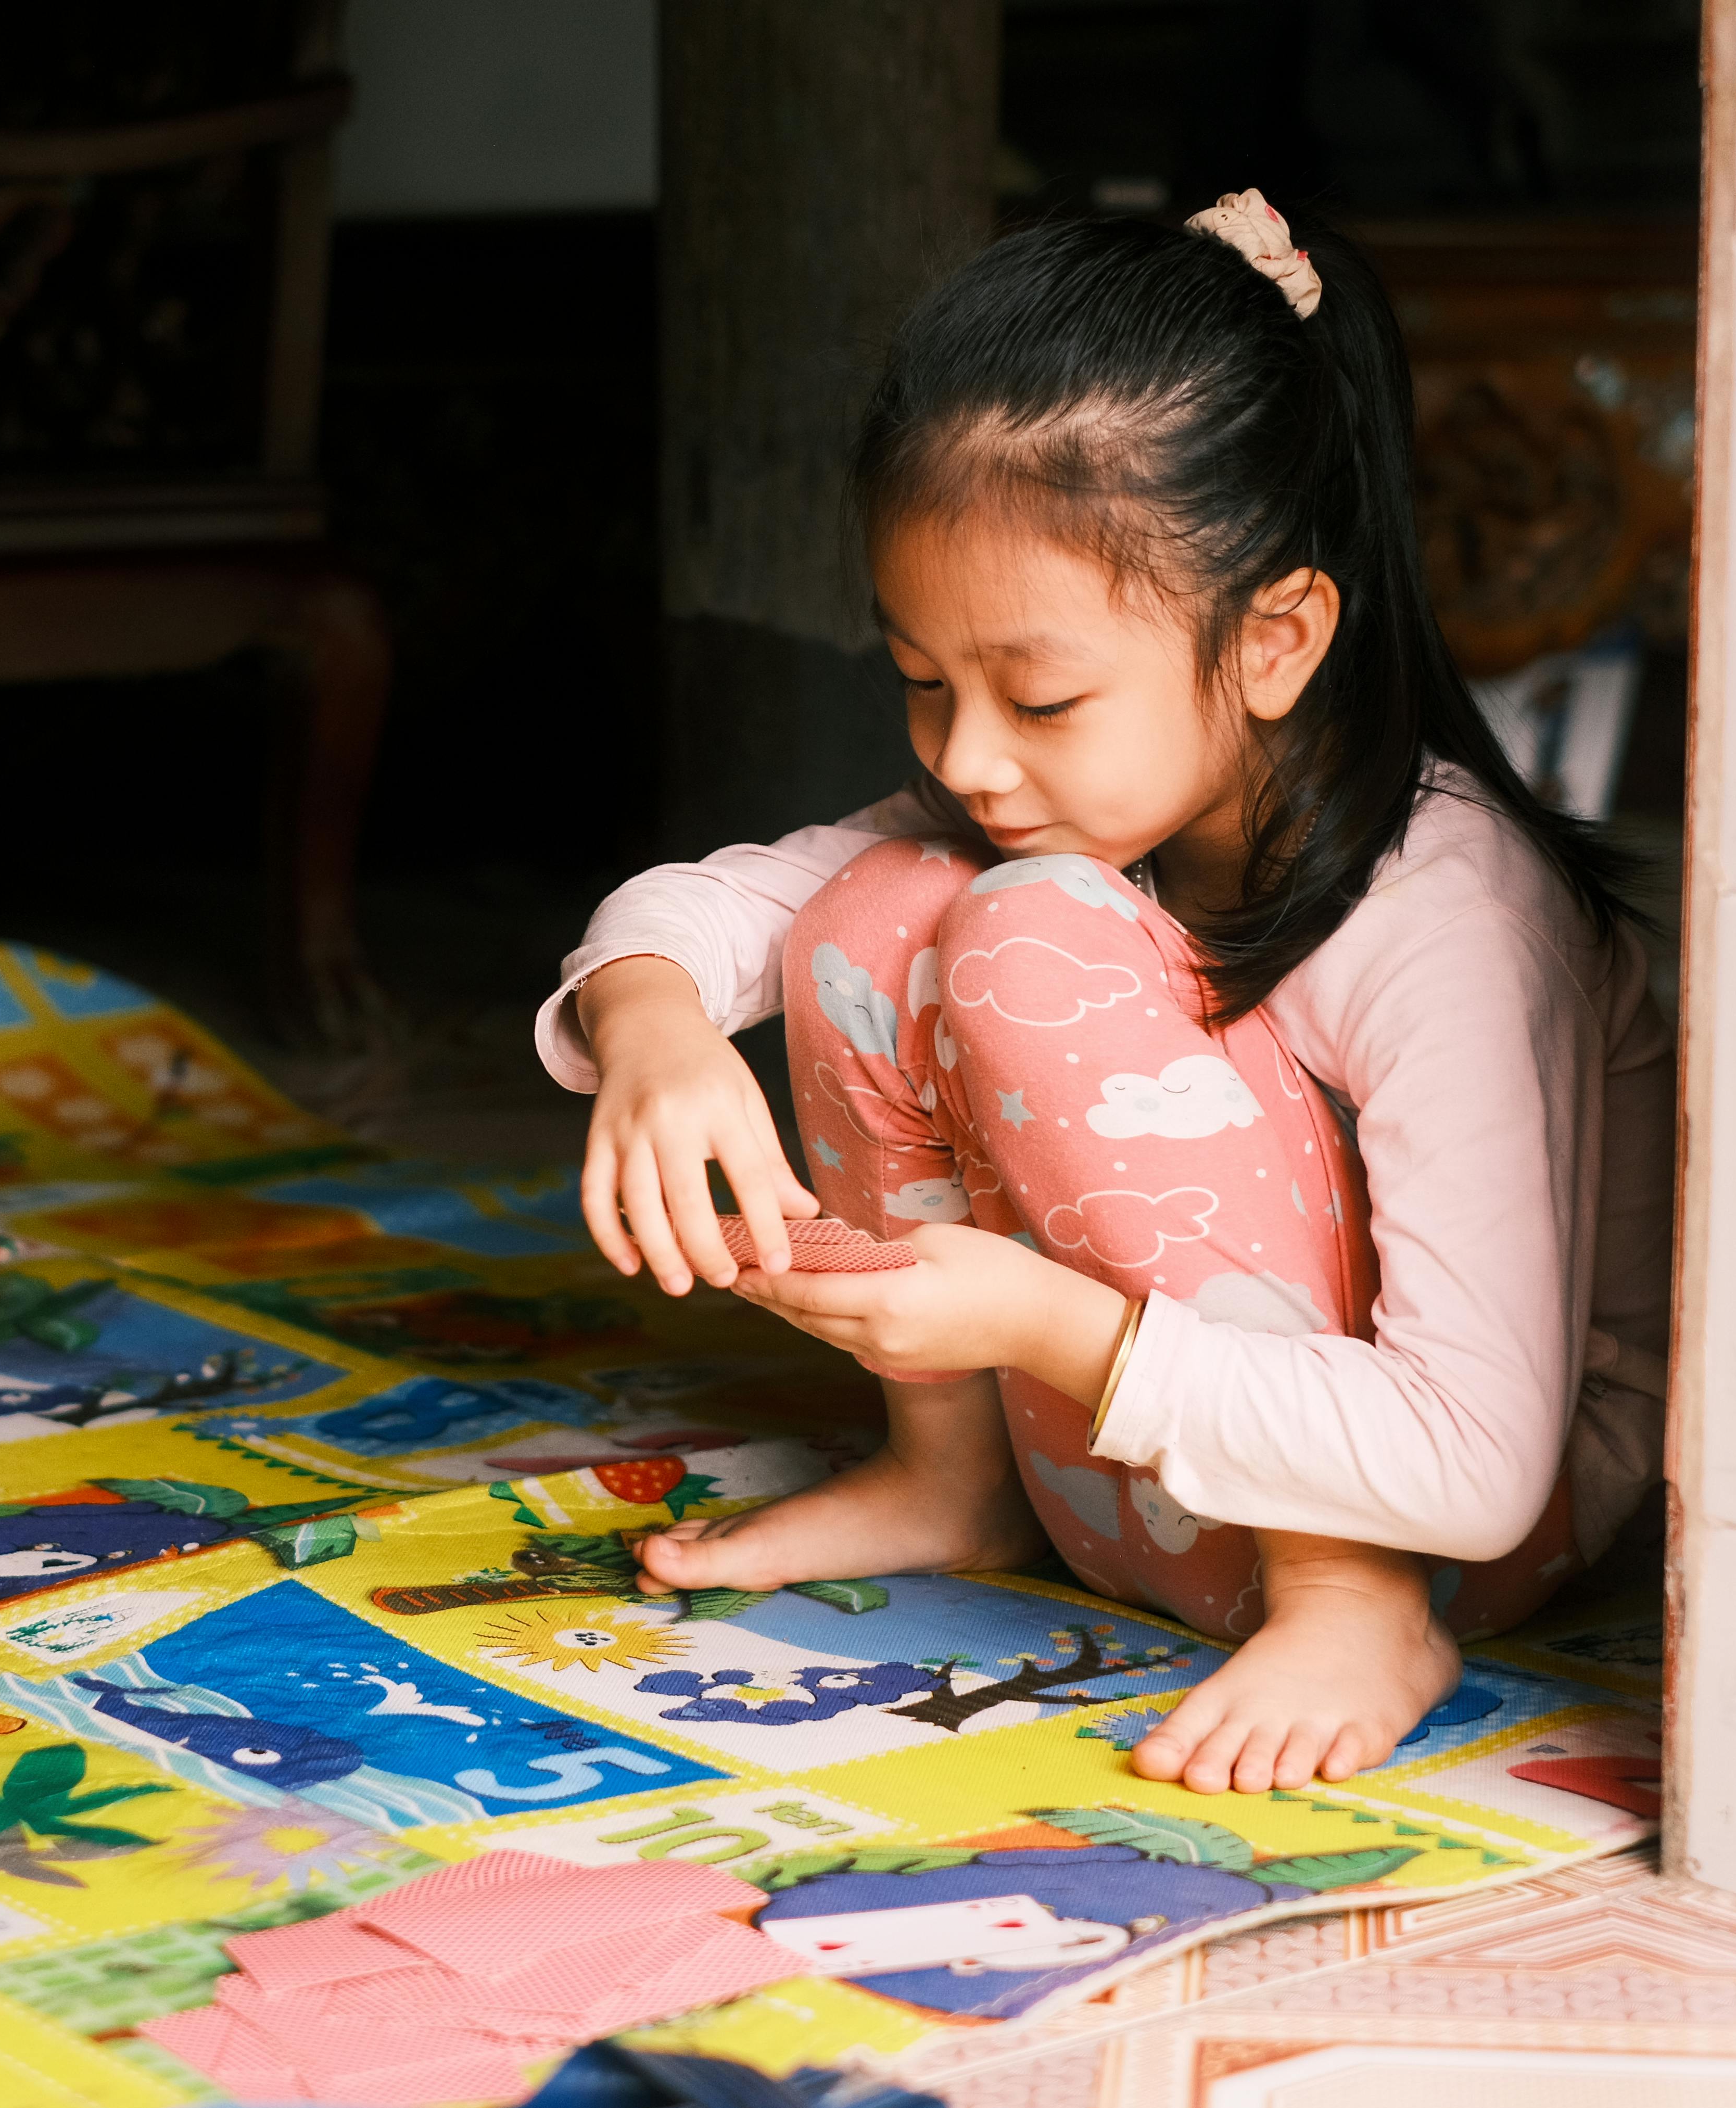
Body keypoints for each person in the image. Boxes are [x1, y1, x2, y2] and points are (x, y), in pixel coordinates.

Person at [540, 195, 1670, 1798]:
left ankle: (1351, 1606)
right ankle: (954, 1482)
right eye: (923, 683)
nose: (965, 756)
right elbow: (714, 907)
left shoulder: (1448, 913)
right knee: (879, 910)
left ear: (1277, 639)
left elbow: (1480, 1463)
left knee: (1018, 939)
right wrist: (651, 1027)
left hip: (1462, 1524)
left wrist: (1044, 1327)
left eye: (1042, 696)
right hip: (1151, 1466)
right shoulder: (1089, 796)